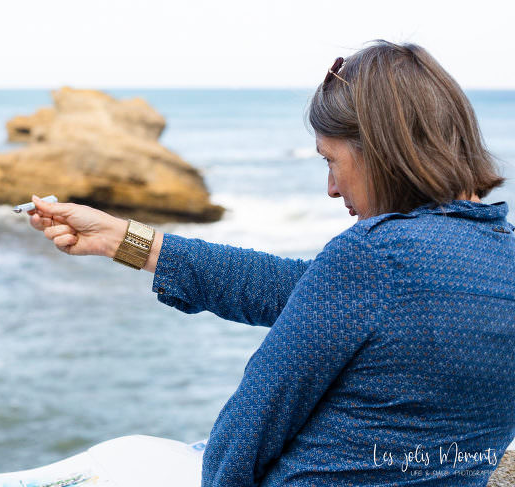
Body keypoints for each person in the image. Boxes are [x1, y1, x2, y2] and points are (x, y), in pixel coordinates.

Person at [26, 40, 515, 486]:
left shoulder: (373, 256)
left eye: (330, 160)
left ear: (381, 152)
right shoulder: (496, 259)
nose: (332, 188)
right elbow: (297, 290)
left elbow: (250, 426)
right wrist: (120, 239)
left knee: (125, 457)